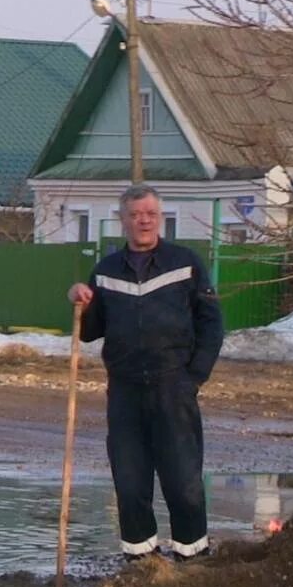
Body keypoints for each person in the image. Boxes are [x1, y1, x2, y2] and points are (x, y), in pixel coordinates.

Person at [68, 184, 224, 561]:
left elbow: (212, 325)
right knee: (130, 480)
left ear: (160, 218)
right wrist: (81, 303)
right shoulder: (106, 271)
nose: (144, 220)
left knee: (183, 479)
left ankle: (192, 557)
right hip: (124, 391)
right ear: (122, 219)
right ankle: (140, 563)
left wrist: (193, 378)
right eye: (136, 214)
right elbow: (90, 331)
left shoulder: (185, 264)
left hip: (174, 387)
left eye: (150, 214)